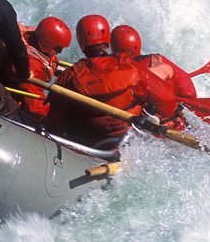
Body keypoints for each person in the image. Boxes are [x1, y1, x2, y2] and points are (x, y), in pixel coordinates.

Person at [45, 15, 181, 146]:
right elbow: (167, 99)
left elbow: (53, 117)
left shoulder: (69, 75)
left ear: (81, 42)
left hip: (88, 139)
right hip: (128, 137)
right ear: (107, 40)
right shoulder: (129, 65)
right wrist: (157, 117)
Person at [110, 24, 196, 129]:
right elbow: (190, 94)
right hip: (170, 126)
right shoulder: (158, 61)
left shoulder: (114, 70)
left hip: (136, 124)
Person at [0, 16, 72, 124]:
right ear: (46, 43)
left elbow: (47, 60)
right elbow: (35, 107)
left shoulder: (33, 35)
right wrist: (58, 120)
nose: (59, 52)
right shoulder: (31, 64)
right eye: (58, 48)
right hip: (2, 94)